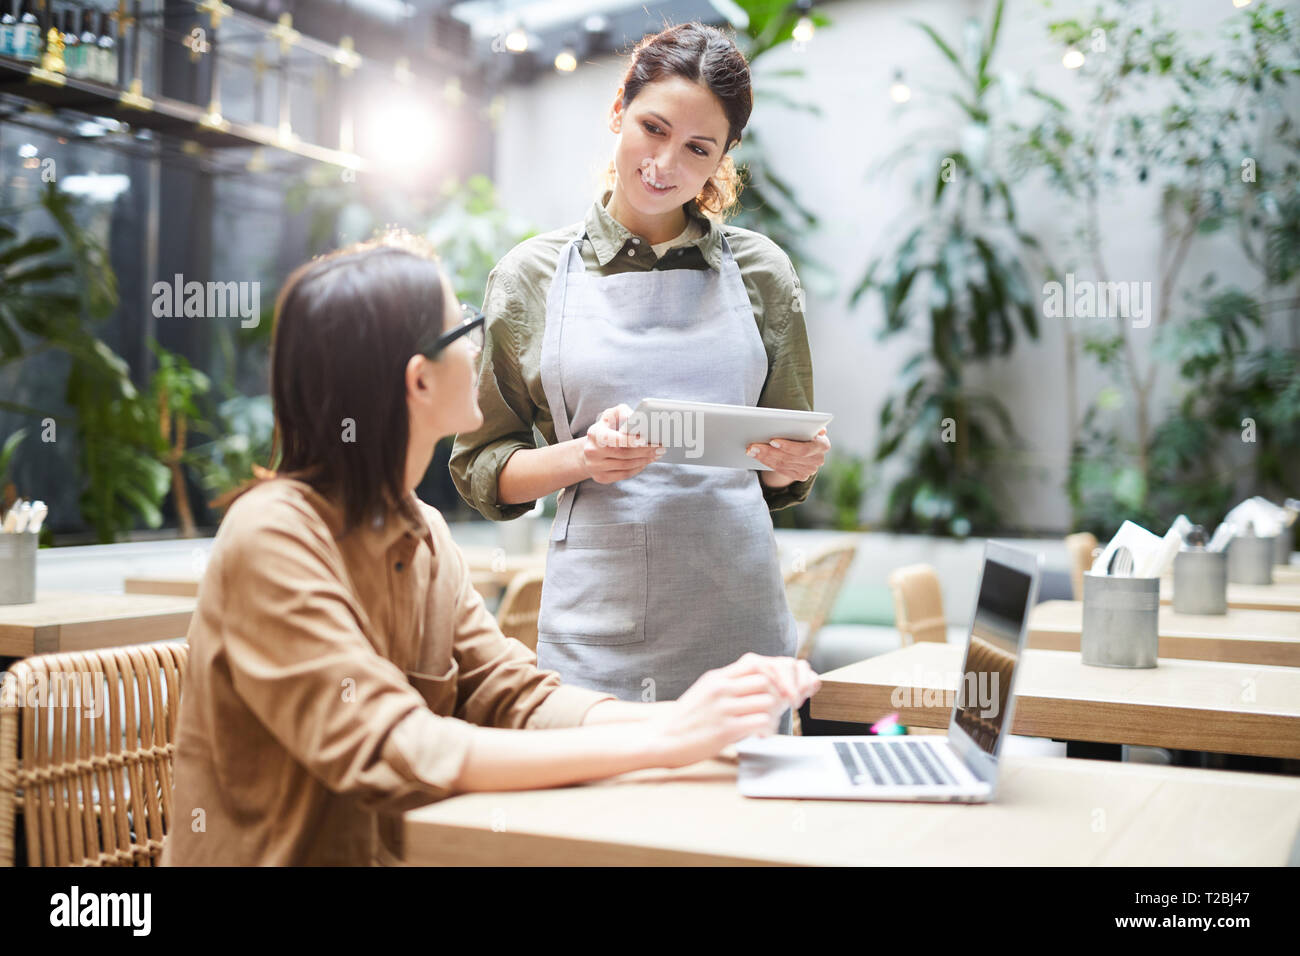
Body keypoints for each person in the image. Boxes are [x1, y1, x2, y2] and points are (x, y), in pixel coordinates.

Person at [160, 232, 819, 866]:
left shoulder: (419, 532)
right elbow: (396, 745)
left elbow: (513, 695)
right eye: (462, 326)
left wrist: (693, 719)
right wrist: (670, 740)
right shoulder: (273, 536)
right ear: (420, 381)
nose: (480, 341)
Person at [450, 23, 831, 717]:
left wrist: (791, 461)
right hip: (595, 639)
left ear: (723, 157)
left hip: (740, 633)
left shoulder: (764, 273)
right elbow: (482, 467)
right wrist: (583, 458)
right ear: (619, 108)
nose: (665, 163)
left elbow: (776, 475)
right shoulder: (529, 277)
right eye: (652, 128)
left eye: (697, 149)